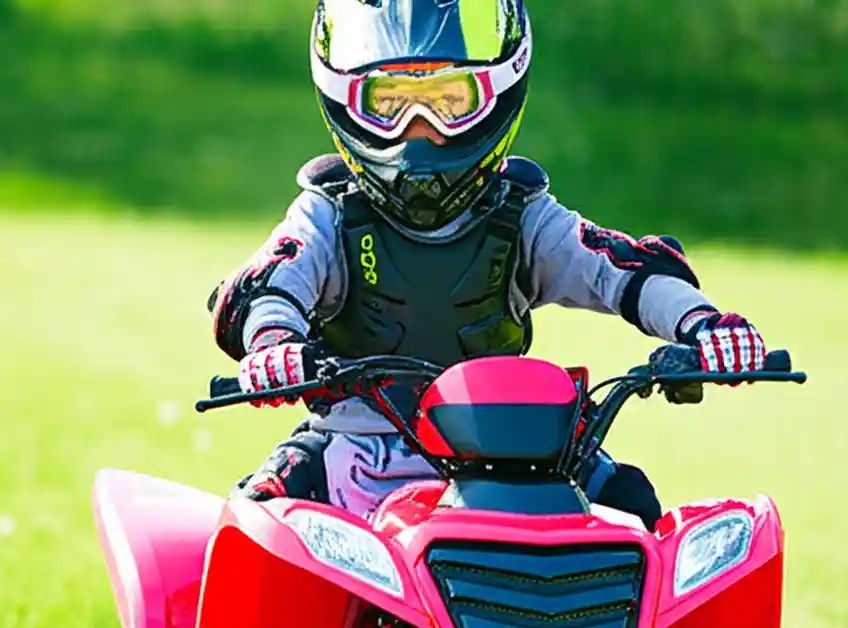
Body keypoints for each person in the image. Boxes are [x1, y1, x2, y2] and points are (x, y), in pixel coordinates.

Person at [206, 0, 768, 531]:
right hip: (353, 448)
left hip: (514, 452)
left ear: (497, 92)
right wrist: (274, 343)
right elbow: (270, 286)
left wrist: (703, 325)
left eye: (450, 99)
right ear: (345, 100)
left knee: (633, 504)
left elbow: (620, 272)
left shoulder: (522, 215)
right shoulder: (328, 213)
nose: (419, 126)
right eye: (390, 101)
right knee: (257, 523)